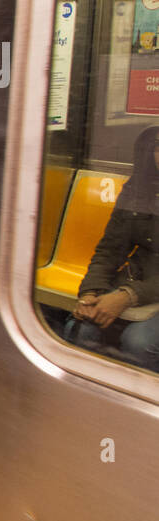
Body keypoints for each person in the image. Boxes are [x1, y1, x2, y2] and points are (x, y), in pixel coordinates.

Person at [62, 125, 159, 372]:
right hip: (140, 278)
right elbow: (110, 249)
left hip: (141, 288)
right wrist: (91, 292)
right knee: (79, 327)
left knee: (139, 342)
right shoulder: (139, 188)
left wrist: (128, 295)